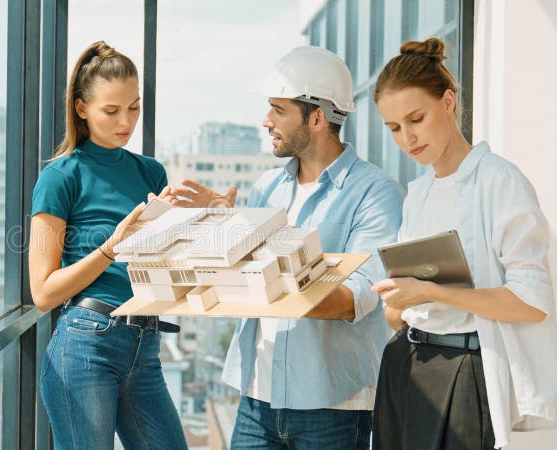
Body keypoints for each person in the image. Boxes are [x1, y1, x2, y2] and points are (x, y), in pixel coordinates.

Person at [169, 46, 404, 449]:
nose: (266, 121)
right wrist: (226, 229)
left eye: (278, 110)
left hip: (332, 406)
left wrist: (264, 263)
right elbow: (244, 280)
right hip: (257, 397)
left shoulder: (375, 194)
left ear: (316, 118)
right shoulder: (267, 188)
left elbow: (354, 299)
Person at [371, 37, 557, 450]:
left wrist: (431, 291)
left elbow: (533, 302)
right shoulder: (417, 192)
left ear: (448, 102)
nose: (407, 138)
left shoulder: (498, 181)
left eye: (416, 118)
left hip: (465, 371)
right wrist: (398, 303)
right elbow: (399, 319)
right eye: (394, 128)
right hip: (405, 365)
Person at [28, 41, 187, 450]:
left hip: (145, 344)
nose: (126, 121)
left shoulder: (150, 172)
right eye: (111, 111)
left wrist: (206, 219)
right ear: (81, 108)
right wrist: (111, 248)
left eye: (133, 108)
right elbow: (43, 292)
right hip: (86, 344)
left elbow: (162, 269)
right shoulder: (61, 177)